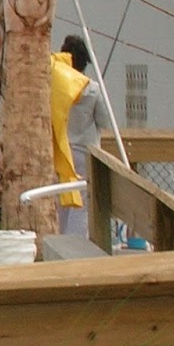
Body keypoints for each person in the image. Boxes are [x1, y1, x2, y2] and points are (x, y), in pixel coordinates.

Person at [56, 35, 113, 237]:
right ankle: (76, 243)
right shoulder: (92, 88)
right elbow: (105, 121)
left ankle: (60, 240)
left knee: (61, 198)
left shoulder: (57, 86)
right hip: (85, 152)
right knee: (81, 201)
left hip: (61, 151)